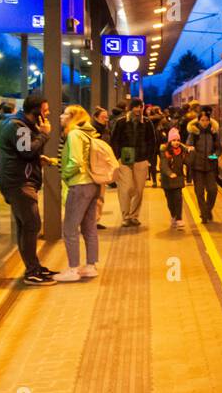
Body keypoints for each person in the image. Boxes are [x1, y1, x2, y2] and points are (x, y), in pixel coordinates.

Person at [0, 93, 56, 285]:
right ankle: (32, 272)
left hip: (20, 181)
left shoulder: (20, 124)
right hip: (19, 184)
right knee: (32, 224)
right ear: (36, 112)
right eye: (45, 111)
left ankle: (33, 267)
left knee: (27, 226)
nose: (48, 114)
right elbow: (27, 150)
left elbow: (23, 152)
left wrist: (38, 158)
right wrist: (44, 134)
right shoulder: (18, 126)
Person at [54, 105, 101, 282]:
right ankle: (90, 266)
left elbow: (75, 161)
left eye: (65, 114)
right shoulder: (87, 133)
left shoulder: (74, 134)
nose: (61, 116)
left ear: (73, 117)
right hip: (92, 183)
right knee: (89, 227)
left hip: (79, 185)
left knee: (69, 228)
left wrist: (64, 175)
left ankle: (73, 269)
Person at [110, 98, 156, 227]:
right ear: (130, 108)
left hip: (141, 159)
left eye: (140, 107)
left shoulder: (147, 122)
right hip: (125, 159)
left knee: (139, 190)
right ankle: (126, 216)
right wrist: (118, 157)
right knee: (126, 188)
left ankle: (134, 216)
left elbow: (152, 141)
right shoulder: (121, 122)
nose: (138, 109)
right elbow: (114, 140)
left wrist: (148, 158)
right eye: (135, 107)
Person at [187, 106, 221, 223]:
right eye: (202, 120)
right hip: (197, 167)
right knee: (199, 192)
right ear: (198, 120)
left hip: (210, 167)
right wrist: (190, 149)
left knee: (213, 190)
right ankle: (204, 214)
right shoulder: (194, 133)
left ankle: (207, 210)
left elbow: (219, 149)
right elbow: (188, 146)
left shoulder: (213, 133)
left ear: (209, 120)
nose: (205, 122)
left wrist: (214, 156)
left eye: (207, 120)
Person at [159, 126, 192, 230]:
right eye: (174, 140)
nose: (176, 142)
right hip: (167, 181)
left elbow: (188, 162)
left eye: (178, 140)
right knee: (170, 201)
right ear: (170, 141)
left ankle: (179, 219)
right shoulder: (165, 151)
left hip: (178, 179)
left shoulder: (182, 151)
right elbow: (163, 165)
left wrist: (190, 152)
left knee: (178, 199)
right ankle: (173, 215)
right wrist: (169, 173)